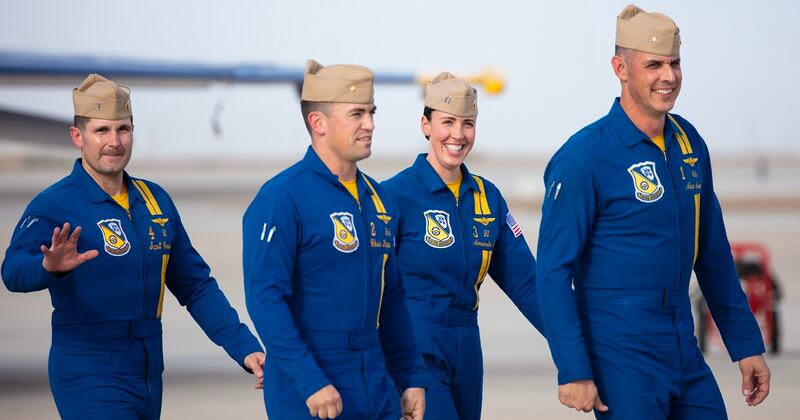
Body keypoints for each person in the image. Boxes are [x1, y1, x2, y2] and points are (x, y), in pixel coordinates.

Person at [536, 5, 771, 419]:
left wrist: (746, 343)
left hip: (681, 340)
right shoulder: (584, 157)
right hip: (618, 351)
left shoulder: (688, 144)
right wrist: (573, 368)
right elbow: (553, 272)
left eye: (675, 63)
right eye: (654, 65)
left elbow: (713, 254)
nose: (669, 76)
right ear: (620, 69)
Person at [1, 74, 265, 420]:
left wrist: (244, 347)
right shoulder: (55, 204)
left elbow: (196, 286)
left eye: (123, 129)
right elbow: (12, 271)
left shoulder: (155, 201)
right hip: (88, 371)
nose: (114, 142)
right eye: (102, 131)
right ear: (77, 137)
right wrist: (47, 268)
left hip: (148, 374)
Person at [243, 59, 427, 420]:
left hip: (375, 381)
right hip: (310, 386)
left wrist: (411, 376)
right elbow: (266, 300)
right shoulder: (282, 198)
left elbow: (392, 298)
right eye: (357, 114)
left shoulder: (379, 200)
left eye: (372, 112)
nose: (370, 124)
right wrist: (309, 380)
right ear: (318, 122)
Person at [381, 72, 544, 419]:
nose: (458, 134)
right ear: (426, 126)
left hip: (467, 345)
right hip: (414, 342)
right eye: (448, 122)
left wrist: (575, 344)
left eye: (467, 124)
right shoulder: (393, 196)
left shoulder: (488, 198)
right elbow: (364, 281)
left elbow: (528, 285)